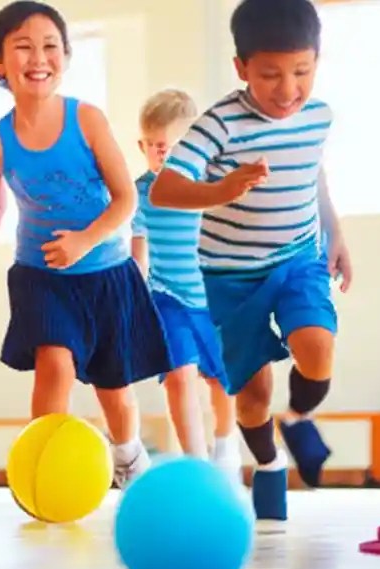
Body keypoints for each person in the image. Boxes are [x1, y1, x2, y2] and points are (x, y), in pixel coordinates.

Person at [150, 0, 351, 520]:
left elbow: (314, 175)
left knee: (318, 350)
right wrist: (221, 190)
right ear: (242, 69)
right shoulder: (219, 125)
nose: (288, 90)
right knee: (253, 391)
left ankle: (299, 415)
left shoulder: (319, 116)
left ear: (316, 62)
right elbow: (165, 190)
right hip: (229, 276)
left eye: (301, 72)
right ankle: (267, 465)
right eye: (270, 75)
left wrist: (336, 234)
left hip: (297, 259)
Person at [0, 1, 170, 488]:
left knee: (113, 390)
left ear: (65, 57)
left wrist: (84, 241)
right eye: (23, 47)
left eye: (50, 46)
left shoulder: (88, 121)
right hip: (40, 277)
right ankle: (43, 470)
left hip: (105, 273)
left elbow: (125, 200)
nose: (39, 57)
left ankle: (127, 458)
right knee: (52, 366)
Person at [131, 88, 241, 481]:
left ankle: (225, 443)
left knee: (222, 382)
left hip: (212, 299)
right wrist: (134, 300)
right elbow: (137, 254)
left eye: (173, 147)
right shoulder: (140, 195)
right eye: (156, 146)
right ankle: (197, 465)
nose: (163, 153)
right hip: (168, 299)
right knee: (179, 377)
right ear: (142, 145)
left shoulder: (210, 188)